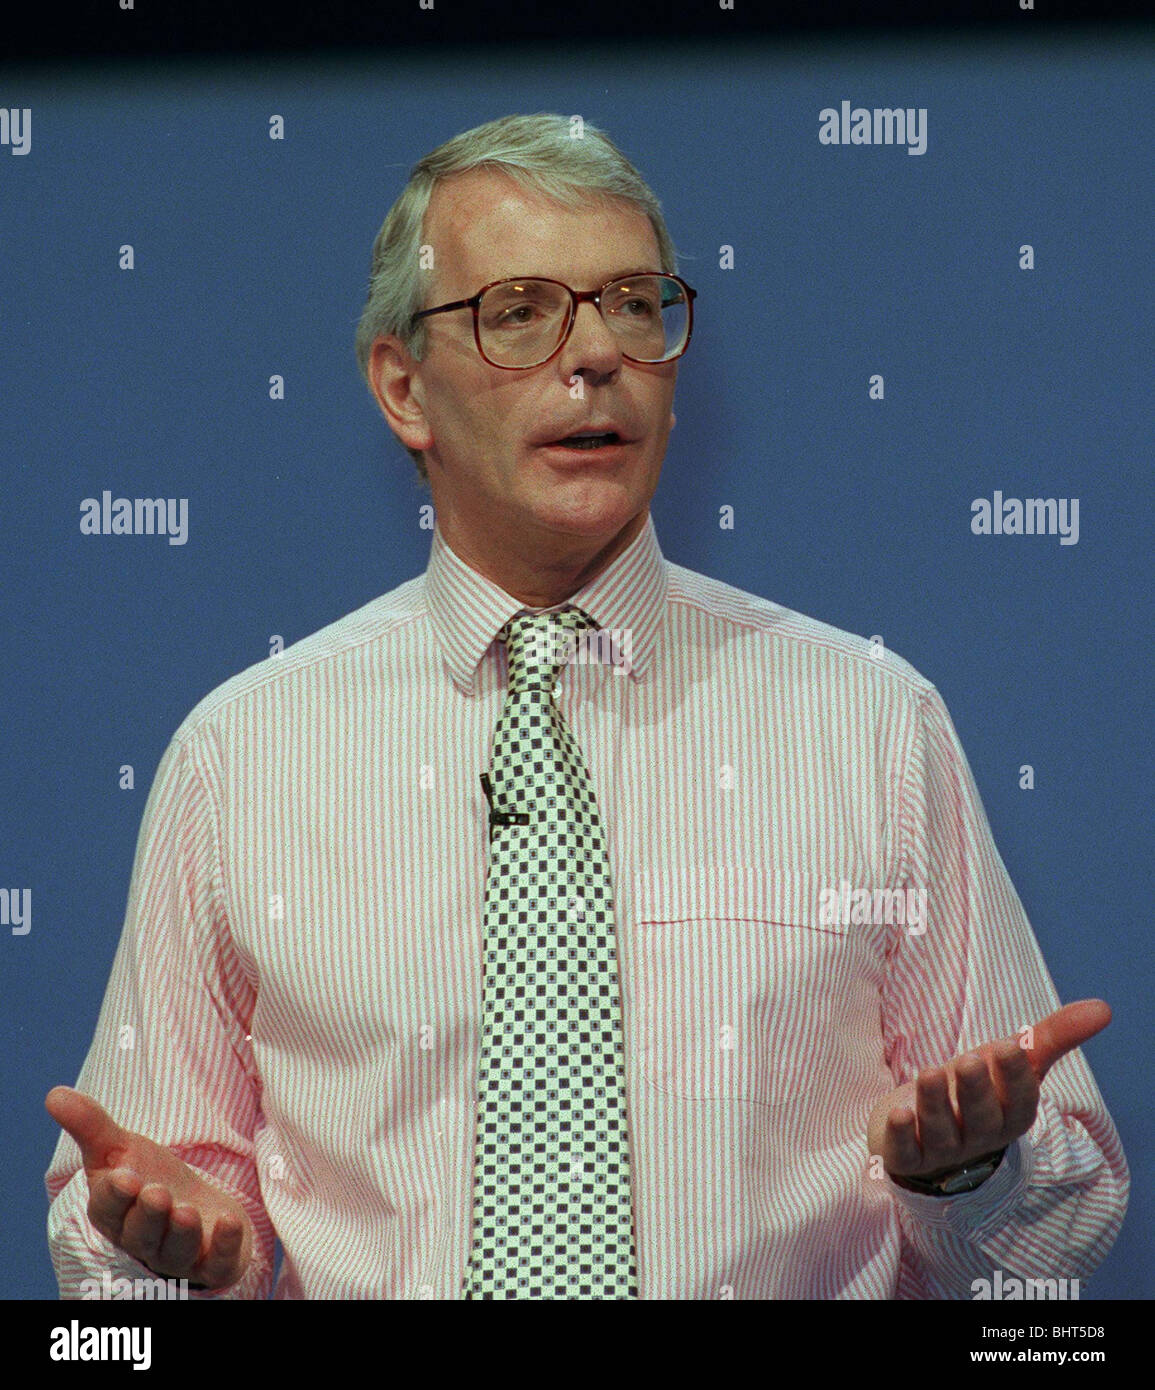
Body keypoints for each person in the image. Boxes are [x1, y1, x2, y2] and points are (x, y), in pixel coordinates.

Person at [45, 111, 1128, 1300]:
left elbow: (1049, 1255)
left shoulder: (867, 721)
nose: (596, 352)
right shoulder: (241, 755)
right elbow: (127, 1262)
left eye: (631, 303)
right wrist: (182, 1268)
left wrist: (972, 1175)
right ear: (404, 388)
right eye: (519, 312)